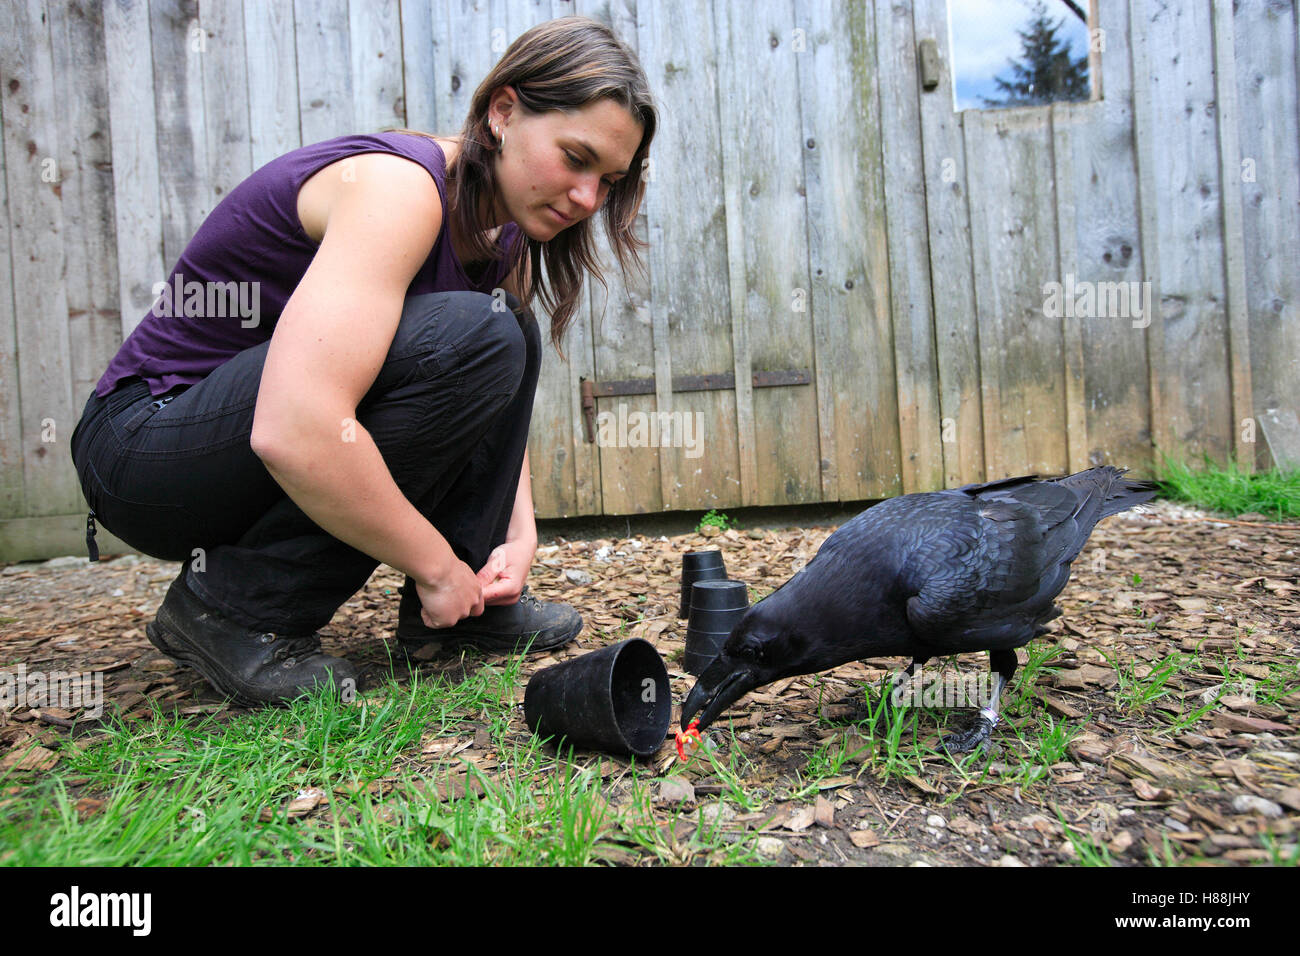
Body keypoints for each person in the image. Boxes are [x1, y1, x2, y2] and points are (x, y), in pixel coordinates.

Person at [68, 16, 657, 707]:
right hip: (146, 450)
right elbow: (297, 428)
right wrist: (433, 563)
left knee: (507, 334)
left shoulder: (507, 239)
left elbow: (498, 404)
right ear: (504, 112)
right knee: (480, 335)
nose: (589, 199)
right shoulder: (399, 191)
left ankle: (471, 606)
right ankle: (235, 612)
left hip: (232, 449)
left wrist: (514, 542)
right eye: (576, 157)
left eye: (609, 180)